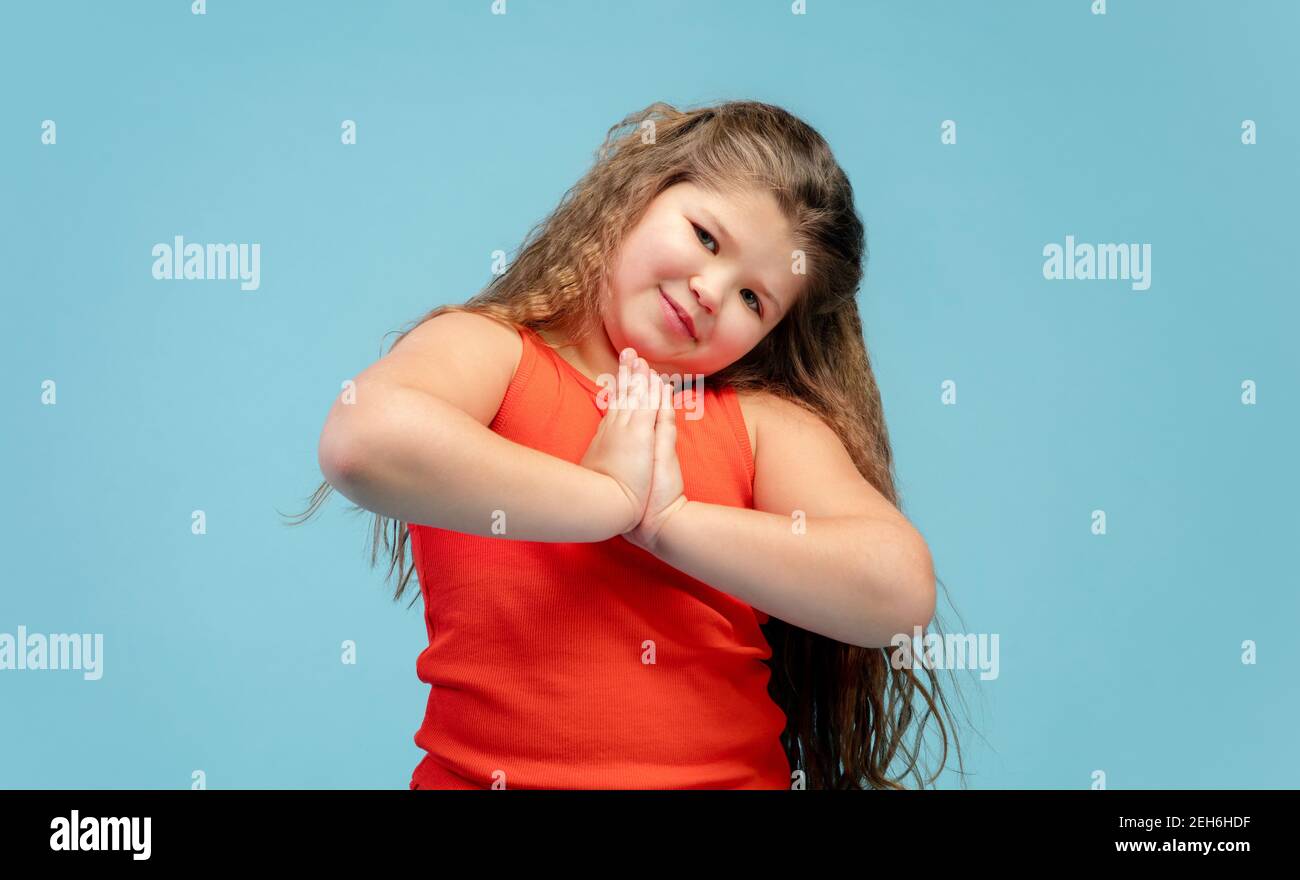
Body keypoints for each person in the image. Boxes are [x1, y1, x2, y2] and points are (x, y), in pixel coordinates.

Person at [291, 100, 972, 789]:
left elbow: (898, 591)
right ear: (639, 194)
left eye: (754, 300)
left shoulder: (761, 427)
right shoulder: (493, 355)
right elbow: (361, 439)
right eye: (707, 238)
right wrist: (603, 498)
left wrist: (669, 523)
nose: (711, 291)